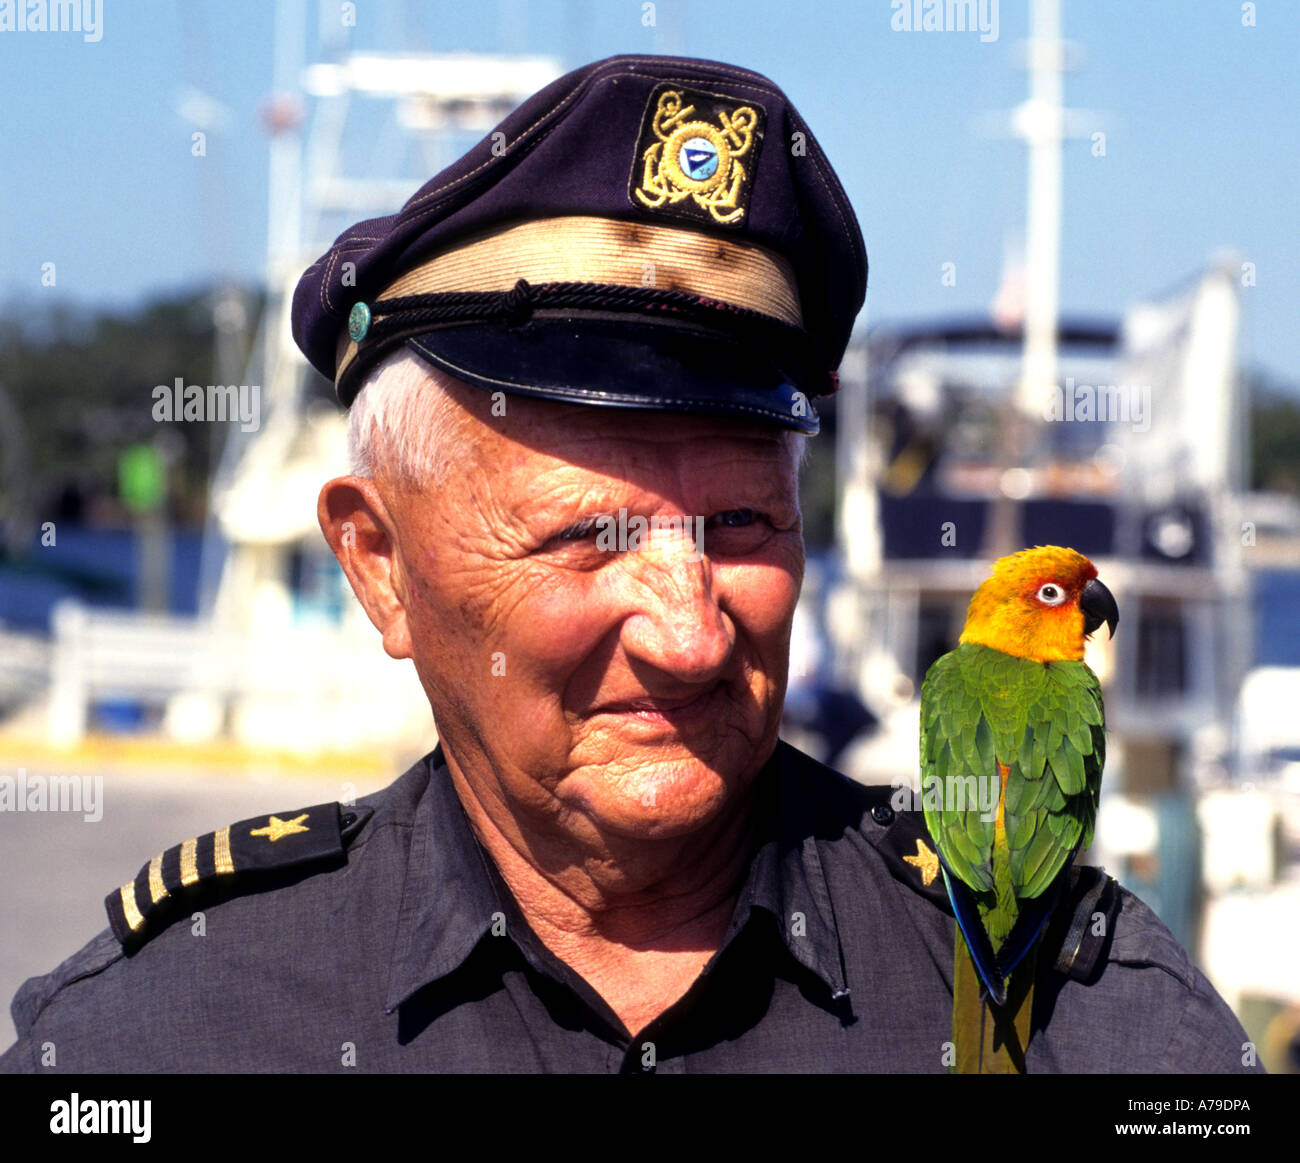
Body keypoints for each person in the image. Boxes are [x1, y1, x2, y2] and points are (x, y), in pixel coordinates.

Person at [1, 54, 1258, 1073]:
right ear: (378, 563)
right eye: (589, 533)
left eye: (741, 527)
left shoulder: (1097, 1024)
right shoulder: (161, 1036)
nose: (690, 631)